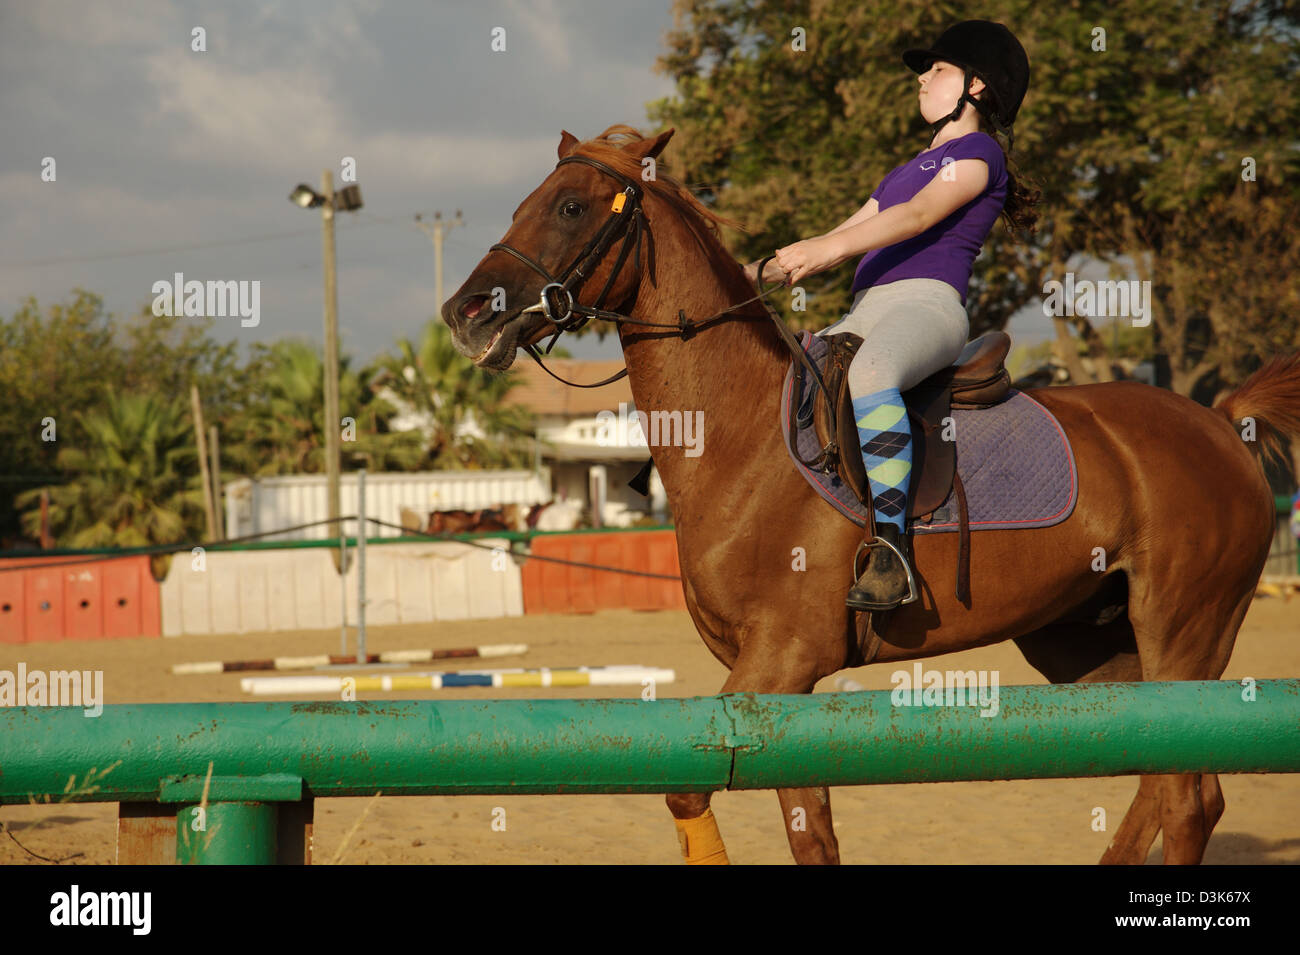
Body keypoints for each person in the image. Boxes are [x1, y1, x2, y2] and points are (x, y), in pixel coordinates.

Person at [745, 20, 1037, 611]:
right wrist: (760, 273)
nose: (922, 80)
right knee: (787, 378)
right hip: (864, 309)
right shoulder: (903, 169)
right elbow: (844, 233)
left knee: (871, 374)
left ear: (975, 87)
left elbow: (917, 218)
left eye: (938, 70)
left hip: (927, 306)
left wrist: (823, 250)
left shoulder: (979, 153)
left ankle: (892, 550)